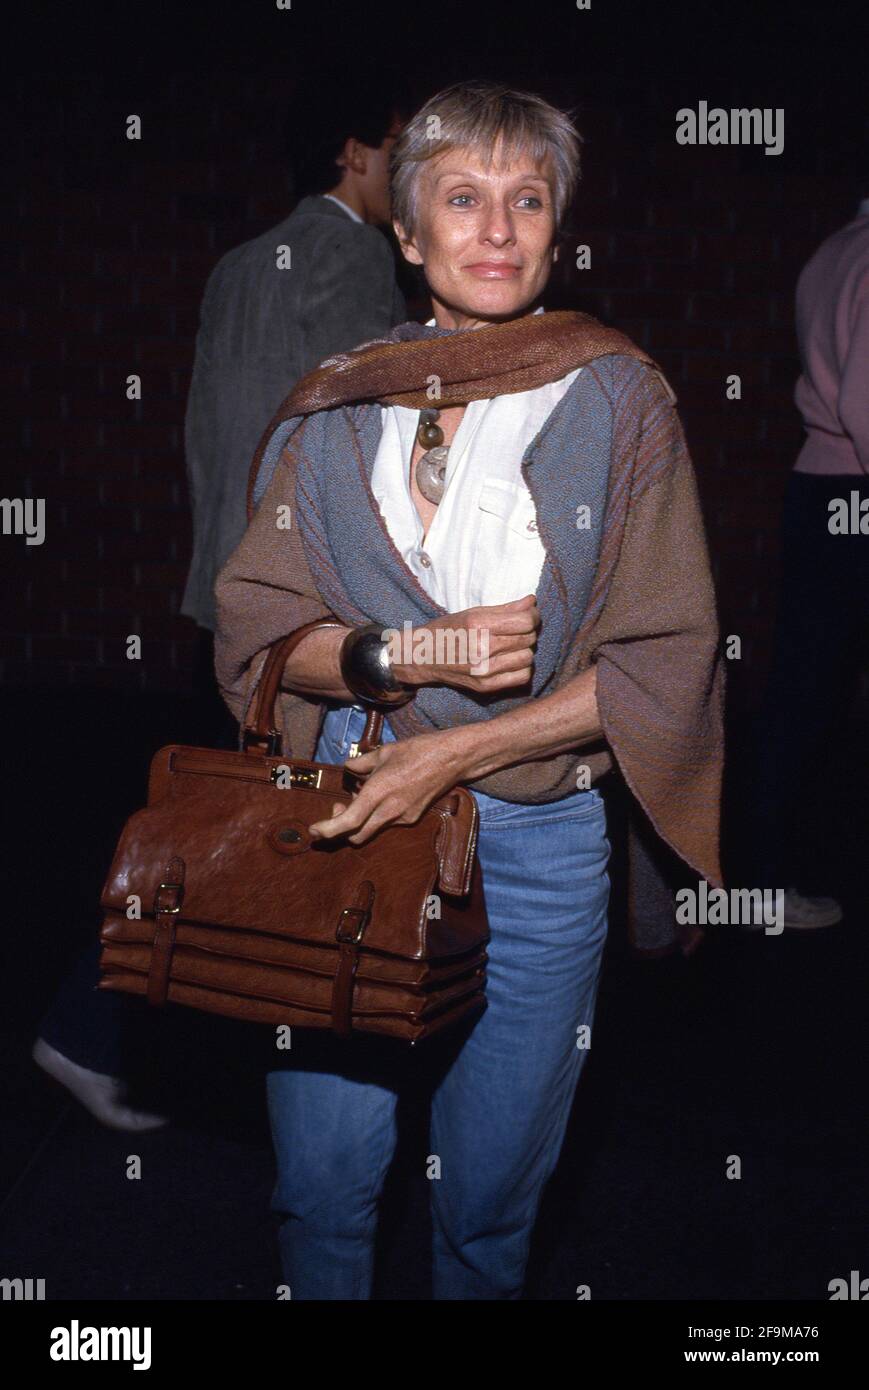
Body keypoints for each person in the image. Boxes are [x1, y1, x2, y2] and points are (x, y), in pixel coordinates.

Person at [214, 80, 724, 1300]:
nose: (496, 229)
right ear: (405, 229)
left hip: (537, 843)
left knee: (488, 1207)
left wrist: (451, 751)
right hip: (345, 816)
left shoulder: (617, 400)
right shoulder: (339, 405)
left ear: (556, 227)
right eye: (460, 198)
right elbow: (260, 630)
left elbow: (663, 662)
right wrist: (404, 656)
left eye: (526, 200)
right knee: (322, 1185)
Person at [32, 85, 410, 1129]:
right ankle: (106, 1029)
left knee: (230, 821)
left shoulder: (240, 263)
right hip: (304, 606)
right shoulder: (355, 259)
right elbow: (366, 446)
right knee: (264, 834)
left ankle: (101, 1031)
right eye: (398, 147)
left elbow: (212, 438)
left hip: (233, 588)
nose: (411, 168)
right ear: (352, 153)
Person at [748, 193, 869, 928]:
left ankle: (766, 877)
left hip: (818, 485)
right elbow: (863, 403)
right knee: (810, 697)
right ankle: (769, 885)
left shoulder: (833, 248)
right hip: (855, 489)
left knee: (803, 691)